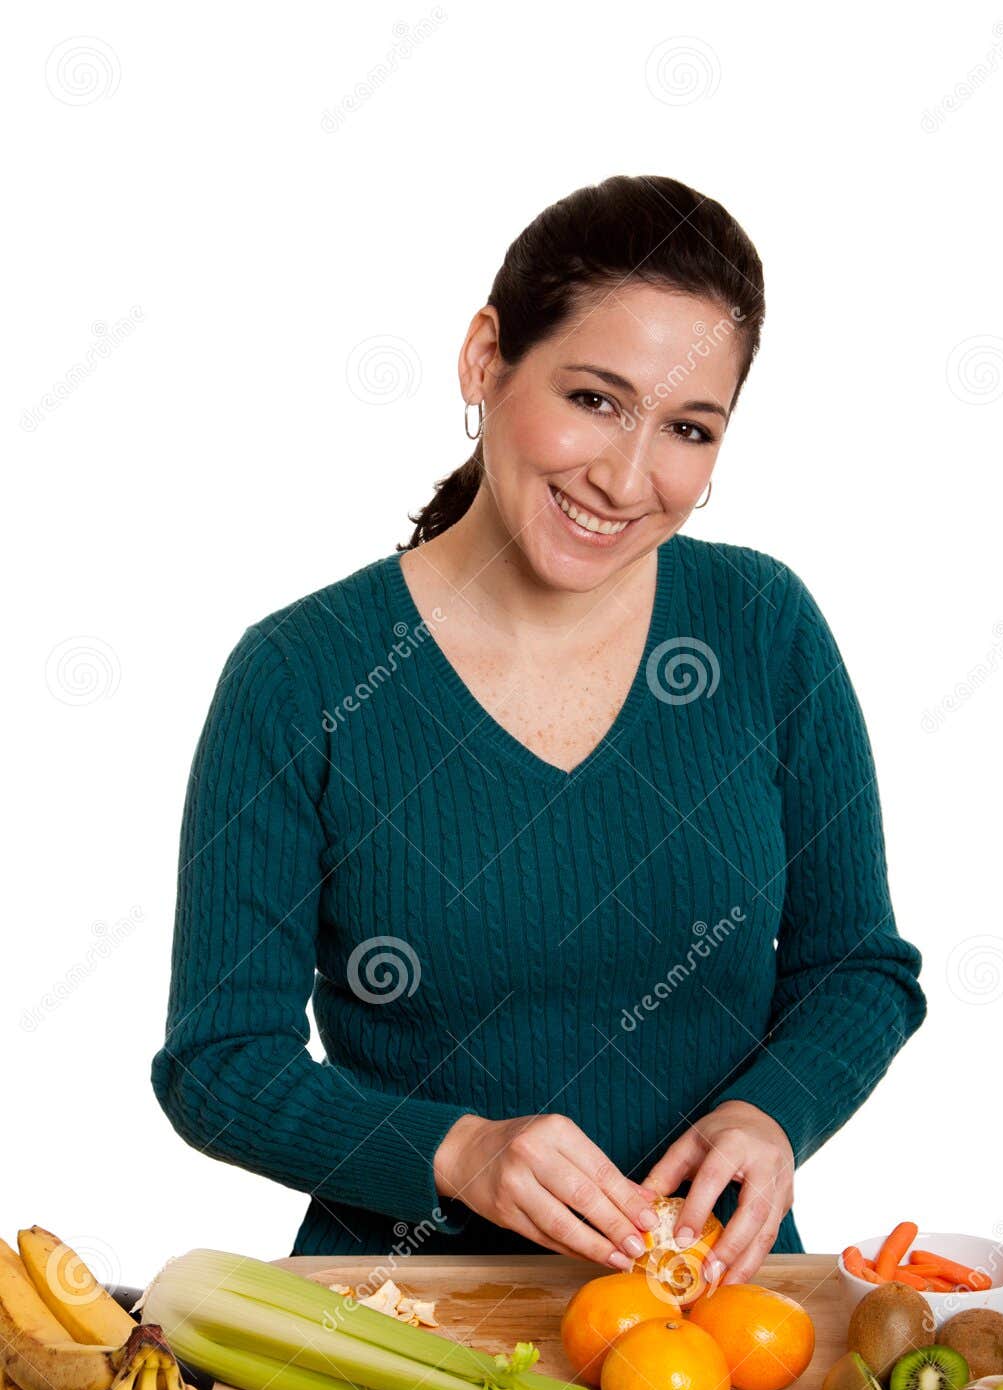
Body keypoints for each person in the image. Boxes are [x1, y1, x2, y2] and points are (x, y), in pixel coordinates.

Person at [151, 174, 926, 1289]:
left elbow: (856, 964)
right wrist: (458, 1153)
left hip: (708, 1308)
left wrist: (771, 1112)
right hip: (402, 1313)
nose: (625, 476)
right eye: (595, 399)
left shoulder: (761, 626)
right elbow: (219, 1063)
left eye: (687, 428)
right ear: (484, 360)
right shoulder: (299, 676)